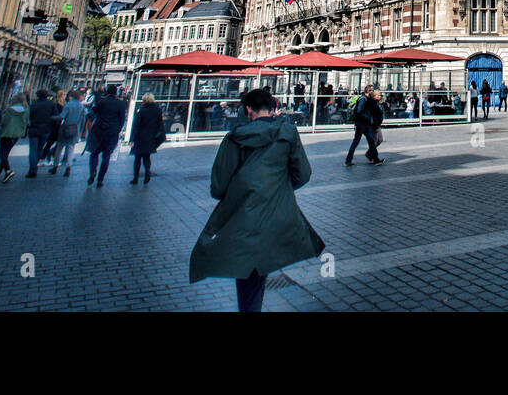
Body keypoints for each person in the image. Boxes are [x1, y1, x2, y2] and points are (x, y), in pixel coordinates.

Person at [189, 87, 325, 312]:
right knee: (258, 271)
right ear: (272, 109)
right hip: (275, 216)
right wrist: (278, 189)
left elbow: (218, 187)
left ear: (248, 109)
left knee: (247, 272)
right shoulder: (288, 133)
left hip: (242, 216)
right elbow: (303, 174)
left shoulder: (235, 138)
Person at [87, 84, 128, 187]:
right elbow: (122, 120)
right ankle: (100, 179)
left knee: (94, 153)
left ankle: (92, 171)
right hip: (112, 133)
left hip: (99, 131)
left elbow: (92, 112)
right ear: (116, 92)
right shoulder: (121, 104)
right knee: (106, 156)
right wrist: (117, 130)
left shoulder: (102, 101)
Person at [130, 93, 166, 184]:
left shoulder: (142, 110)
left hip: (140, 137)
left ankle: (136, 178)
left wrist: (132, 139)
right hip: (151, 137)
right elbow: (160, 124)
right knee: (147, 157)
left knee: (137, 158)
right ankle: (147, 171)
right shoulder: (158, 110)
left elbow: (136, 125)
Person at [344, 85, 384, 166]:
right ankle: (348, 160)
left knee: (371, 141)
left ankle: (376, 159)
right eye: (372, 91)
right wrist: (367, 118)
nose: (373, 93)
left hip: (365, 124)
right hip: (362, 124)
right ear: (369, 91)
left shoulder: (367, 99)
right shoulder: (363, 99)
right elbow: (359, 111)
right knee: (356, 142)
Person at [0, 92, 29, 182]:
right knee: (5, 154)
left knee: (2, 154)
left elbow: (3, 121)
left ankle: (8, 170)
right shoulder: (26, 110)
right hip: (17, 134)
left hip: (7, 133)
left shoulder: (10, 110)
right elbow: (27, 122)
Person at [51, 90, 86, 176]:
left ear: (71, 97)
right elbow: (83, 120)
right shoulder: (82, 107)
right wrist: (81, 132)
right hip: (75, 129)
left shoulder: (68, 105)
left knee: (59, 148)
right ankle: (68, 167)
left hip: (65, 128)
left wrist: (52, 117)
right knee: (71, 149)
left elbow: (62, 116)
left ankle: (55, 167)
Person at [25, 90, 58, 178]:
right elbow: (55, 116)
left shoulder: (34, 104)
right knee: (40, 149)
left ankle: (33, 169)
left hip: (34, 129)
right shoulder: (51, 104)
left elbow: (29, 116)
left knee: (33, 150)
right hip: (46, 129)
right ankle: (35, 165)